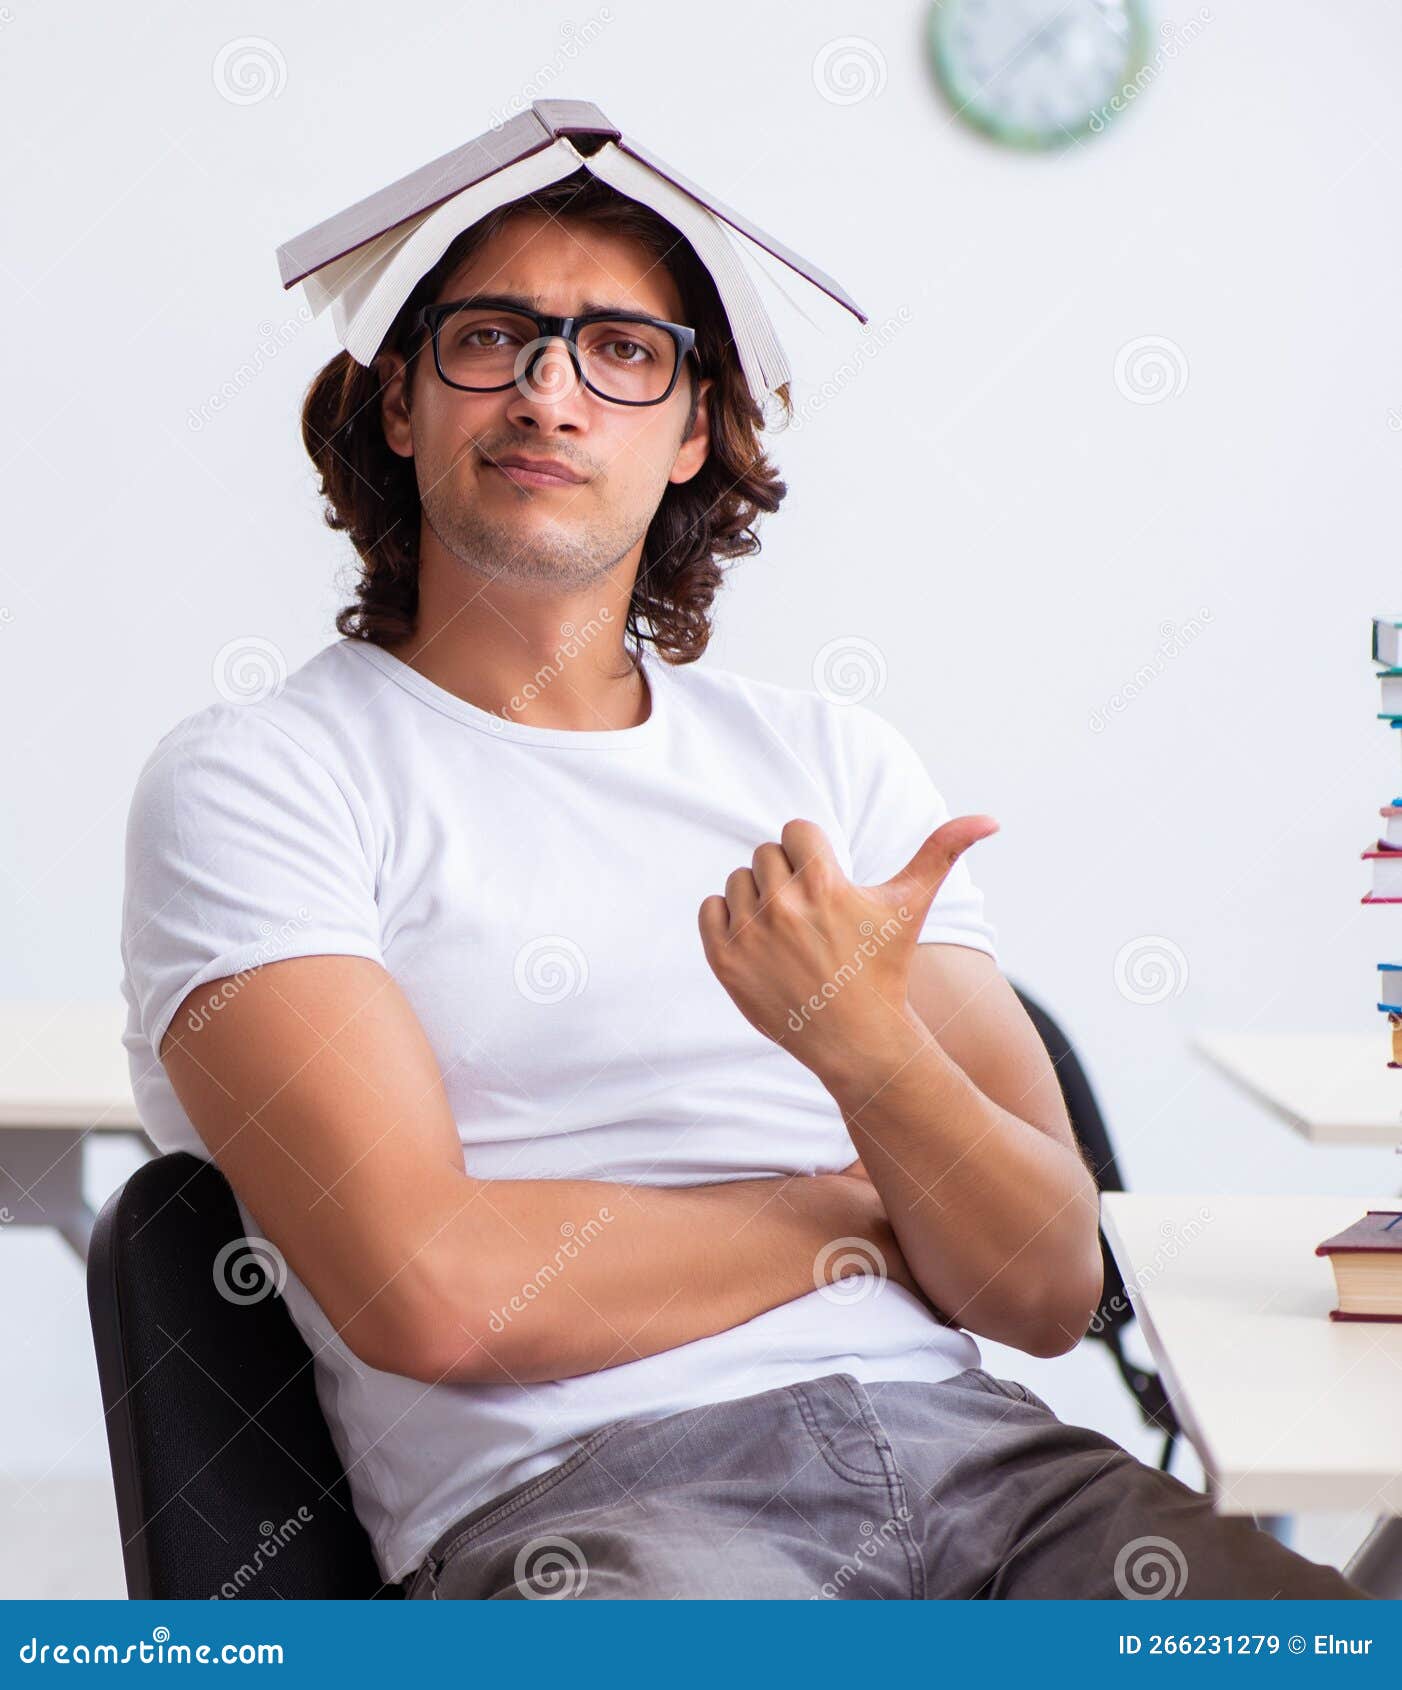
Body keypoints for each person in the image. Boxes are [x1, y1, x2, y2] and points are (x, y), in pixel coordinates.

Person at [120, 168, 1373, 1601]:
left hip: (999, 1476)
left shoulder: (833, 763)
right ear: (400, 403)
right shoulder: (260, 778)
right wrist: (854, 1218)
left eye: (622, 350)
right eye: (488, 339)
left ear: (691, 429)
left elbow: (1036, 1286)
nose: (547, 390)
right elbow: (434, 1289)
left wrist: (864, 1050)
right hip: (610, 1515)